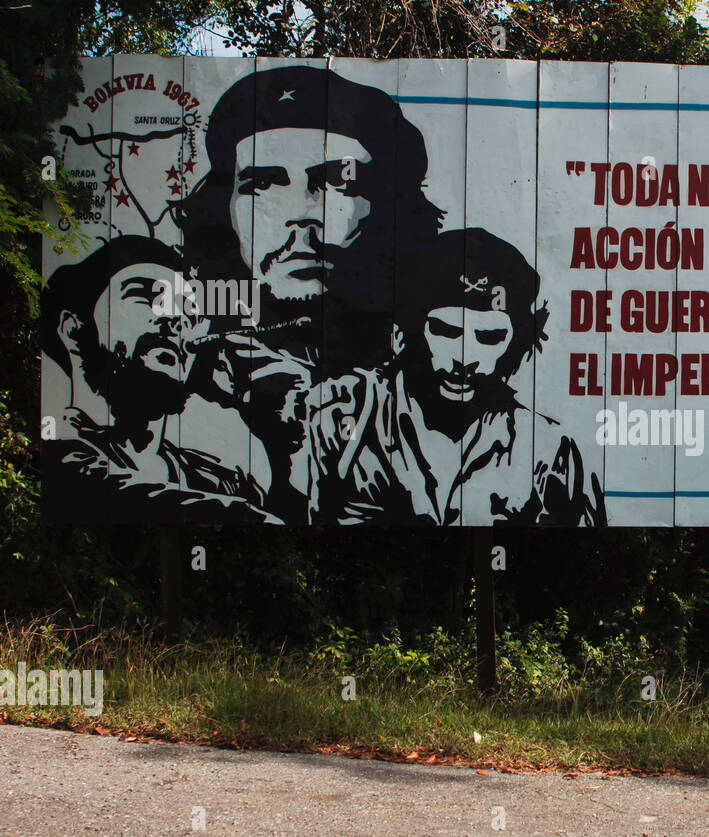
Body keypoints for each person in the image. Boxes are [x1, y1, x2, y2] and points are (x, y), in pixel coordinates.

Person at [177, 64, 446, 520]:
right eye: (262, 183)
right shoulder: (188, 376)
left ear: (385, 207)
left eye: (334, 183)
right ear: (225, 210)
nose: (301, 218)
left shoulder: (440, 367)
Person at [309, 227, 606, 526]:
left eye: (490, 337)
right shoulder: (339, 415)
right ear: (408, 327)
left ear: (515, 344)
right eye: (446, 331)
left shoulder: (547, 449)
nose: (465, 359)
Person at [41, 236, 275, 522]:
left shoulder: (219, 483)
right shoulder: (56, 455)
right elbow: (103, 490)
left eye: (189, 313)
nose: (176, 320)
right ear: (74, 331)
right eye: (150, 296)